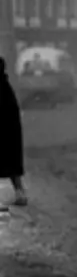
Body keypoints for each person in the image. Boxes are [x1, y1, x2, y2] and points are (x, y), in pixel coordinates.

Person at [0, 58, 27, 207]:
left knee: (11, 163)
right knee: (12, 164)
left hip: (7, 130)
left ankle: (20, 192)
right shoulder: (6, 87)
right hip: (9, 132)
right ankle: (20, 192)